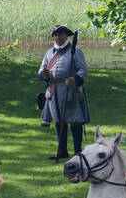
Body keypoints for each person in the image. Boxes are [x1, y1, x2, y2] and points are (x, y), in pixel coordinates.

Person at [38, 25, 89, 161]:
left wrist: (75, 79)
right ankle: (62, 151)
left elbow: (83, 70)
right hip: (54, 91)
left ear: (66, 36)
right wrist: (43, 74)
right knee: (58, 121)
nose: (57, 38)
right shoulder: (49, 53)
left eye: (60, 35)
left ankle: (78, 151)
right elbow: (41, 70)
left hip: (70, 91)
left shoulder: (75, 51)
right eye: (55, 35)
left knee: (74, 121)